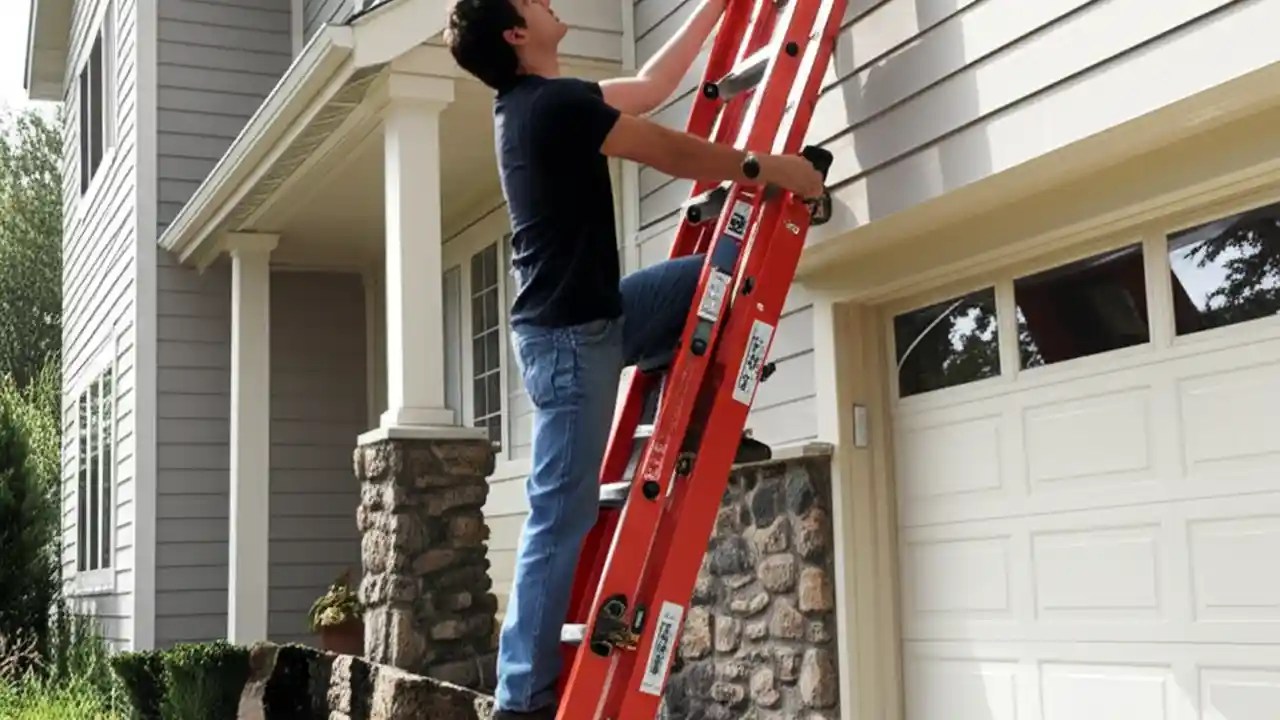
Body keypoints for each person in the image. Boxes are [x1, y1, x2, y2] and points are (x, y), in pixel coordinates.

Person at [444, 0, 825, 716]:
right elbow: (667, 148)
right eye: (534, 1)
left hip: (599, 322)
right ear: (517, 34)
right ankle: (520, 699)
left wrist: (716, 8)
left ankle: (707, 416)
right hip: (567, 344)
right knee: (561, 515)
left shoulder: (549, 100)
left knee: (718, 274)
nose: (550, 1)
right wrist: (765, 168)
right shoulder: (546, 108)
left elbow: (651, 85)